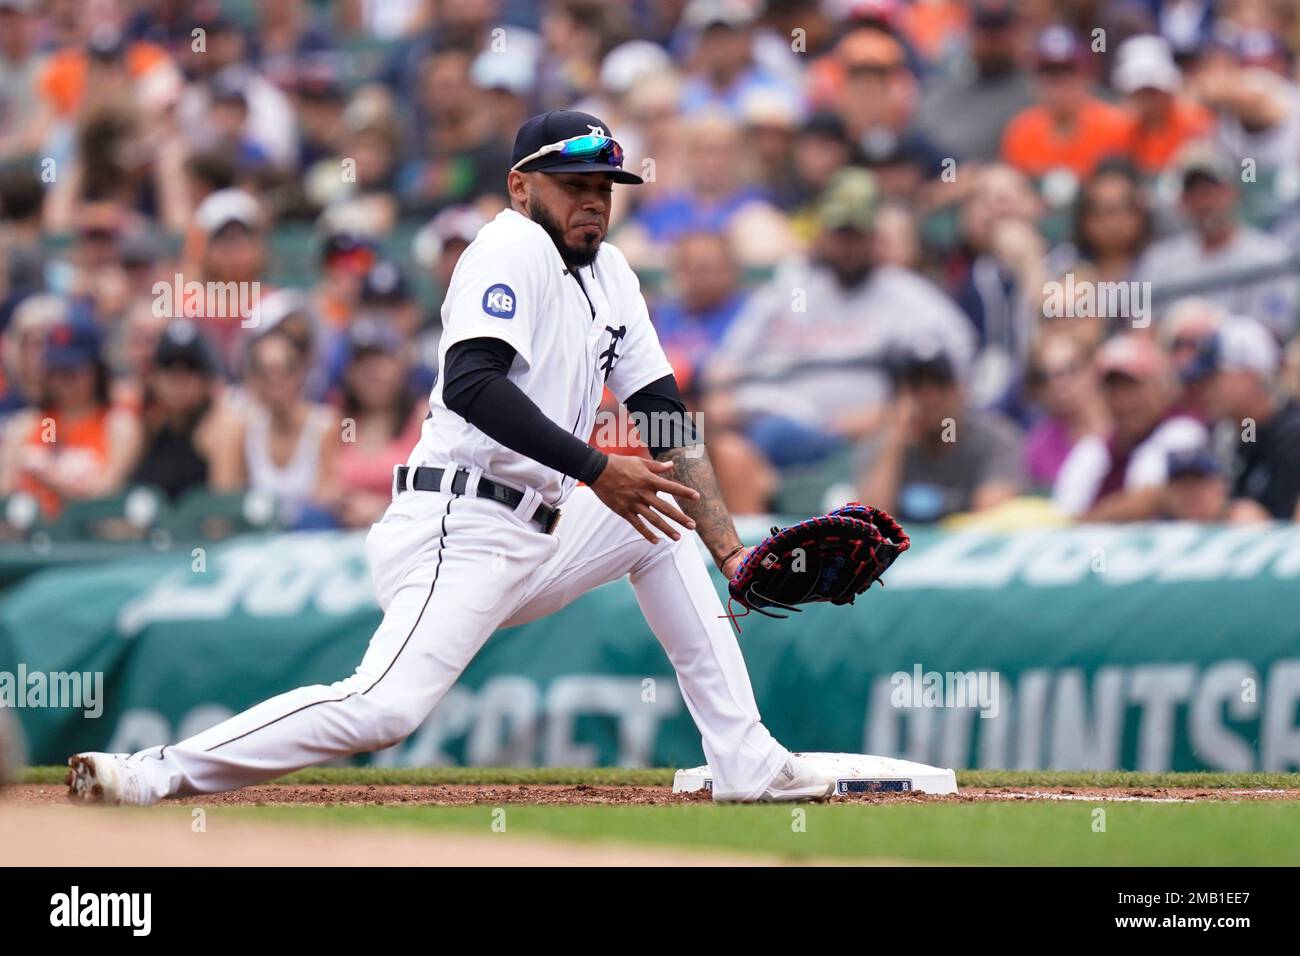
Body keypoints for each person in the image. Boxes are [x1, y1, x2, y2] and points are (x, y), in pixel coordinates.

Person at [67, 110, 840, 806]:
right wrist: (601, 470)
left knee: (662, 522)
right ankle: (157, 770)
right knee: (384, 709)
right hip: (458, 520)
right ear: (520, 186)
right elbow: (473, 384)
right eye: (573, 183)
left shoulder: (614, 275)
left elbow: (665, 417)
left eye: (605, 183)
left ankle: (744, 761)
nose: (594, 199)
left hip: (542, 524)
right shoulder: (508, 246)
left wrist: (732, 552)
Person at [703, 167, 975, 512]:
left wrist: (894, 412)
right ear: (822, 235)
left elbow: (957, 364)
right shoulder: (791, 288)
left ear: (875, 238)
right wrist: (725, 398)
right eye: (838, 234)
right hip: (768, 419)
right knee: (709, 439)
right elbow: (726, 364)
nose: (847, 247)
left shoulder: (903, 293)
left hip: (858, 440)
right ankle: (747, 556)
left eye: (856, 235)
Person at [1133, 141, 1297, 341]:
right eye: (1193, 192)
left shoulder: (1270, 256)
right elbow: (1140, 330)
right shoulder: (1159, 260)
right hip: (1171, 362)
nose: (1204, 202)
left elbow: (1273, 332)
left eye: (1210, 190)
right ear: (1181, 202)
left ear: (1233, 193)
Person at [856, 341, 1024, 524]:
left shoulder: (993, 439)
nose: (928, 398)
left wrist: (946, 431)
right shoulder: (885, 441)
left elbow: (992, 518)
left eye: (938, 385)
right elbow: (870, 522)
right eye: (916, 387)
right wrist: (895, 443)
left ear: (959, 392)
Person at [1052, 334, 1208, 521]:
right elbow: (1064, 512)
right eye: (1113, 390)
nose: (1123, 401)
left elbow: (1146, 501)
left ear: (1161, 387)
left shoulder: (1183, 431)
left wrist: (1082, 524)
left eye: (1133, 388)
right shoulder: (1094, 448)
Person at [0, 314, 142, 517]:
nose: (62, 382)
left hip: (87, 541)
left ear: (96, 371)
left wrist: (54, 479)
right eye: (54, 371)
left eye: (72, 373)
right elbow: (4, 496)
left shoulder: (117, 425)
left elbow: (105, 498)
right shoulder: (26, 424)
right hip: (28, 537)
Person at [209, 327, 337, 528]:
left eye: (285, 370)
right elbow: (225, 499)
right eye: (264, 373)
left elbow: (329, 494)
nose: (276, 382)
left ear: (300, 374)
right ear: (251, 378)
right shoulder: (239, 428)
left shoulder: (325, 425)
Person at [327, 319, 425, 530]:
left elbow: (438, 494)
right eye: (362, 362)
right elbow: (326, 485)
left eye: (380, 360)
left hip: (409, 533)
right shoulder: (345, 421)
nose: (371, 372)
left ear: (400, 364)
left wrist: (382, 509)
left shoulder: (423, 418)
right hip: (345, 536)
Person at [1202, 315, 1300, 521]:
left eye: (1214, 375)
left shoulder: (1292, 434)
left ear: (1249, 374)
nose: (1205, 387)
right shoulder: (1243, 431)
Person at [130, 319, 224, 501]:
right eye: (168, 367)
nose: (179, 379)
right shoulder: (146, 430)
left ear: (206, 379)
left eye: (190, 368)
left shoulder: (219, 431)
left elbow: (222, 512)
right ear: (153, 378)